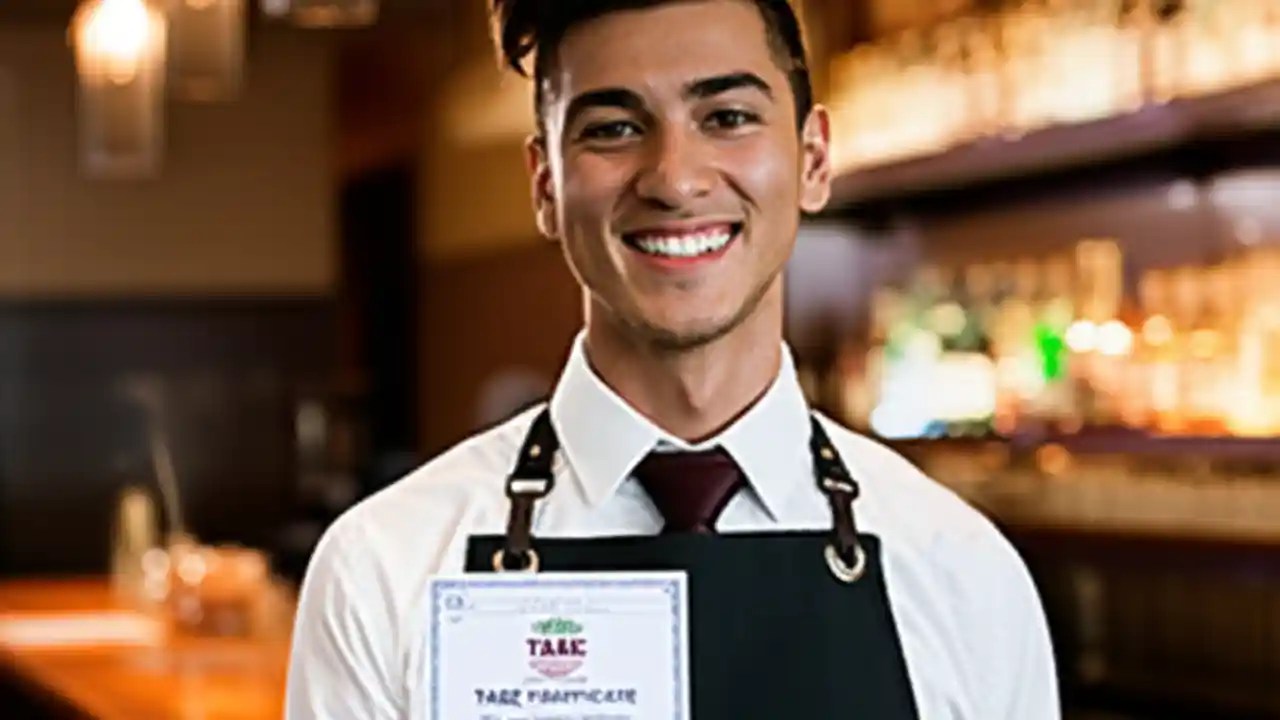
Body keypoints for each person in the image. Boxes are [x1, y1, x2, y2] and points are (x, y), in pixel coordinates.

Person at [284, 0, 1061, 717]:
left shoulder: (962, 573)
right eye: (614, 128)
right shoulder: (382, 572)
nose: (674, 179)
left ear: (814, 159)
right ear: (546, 187)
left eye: (727, 116)